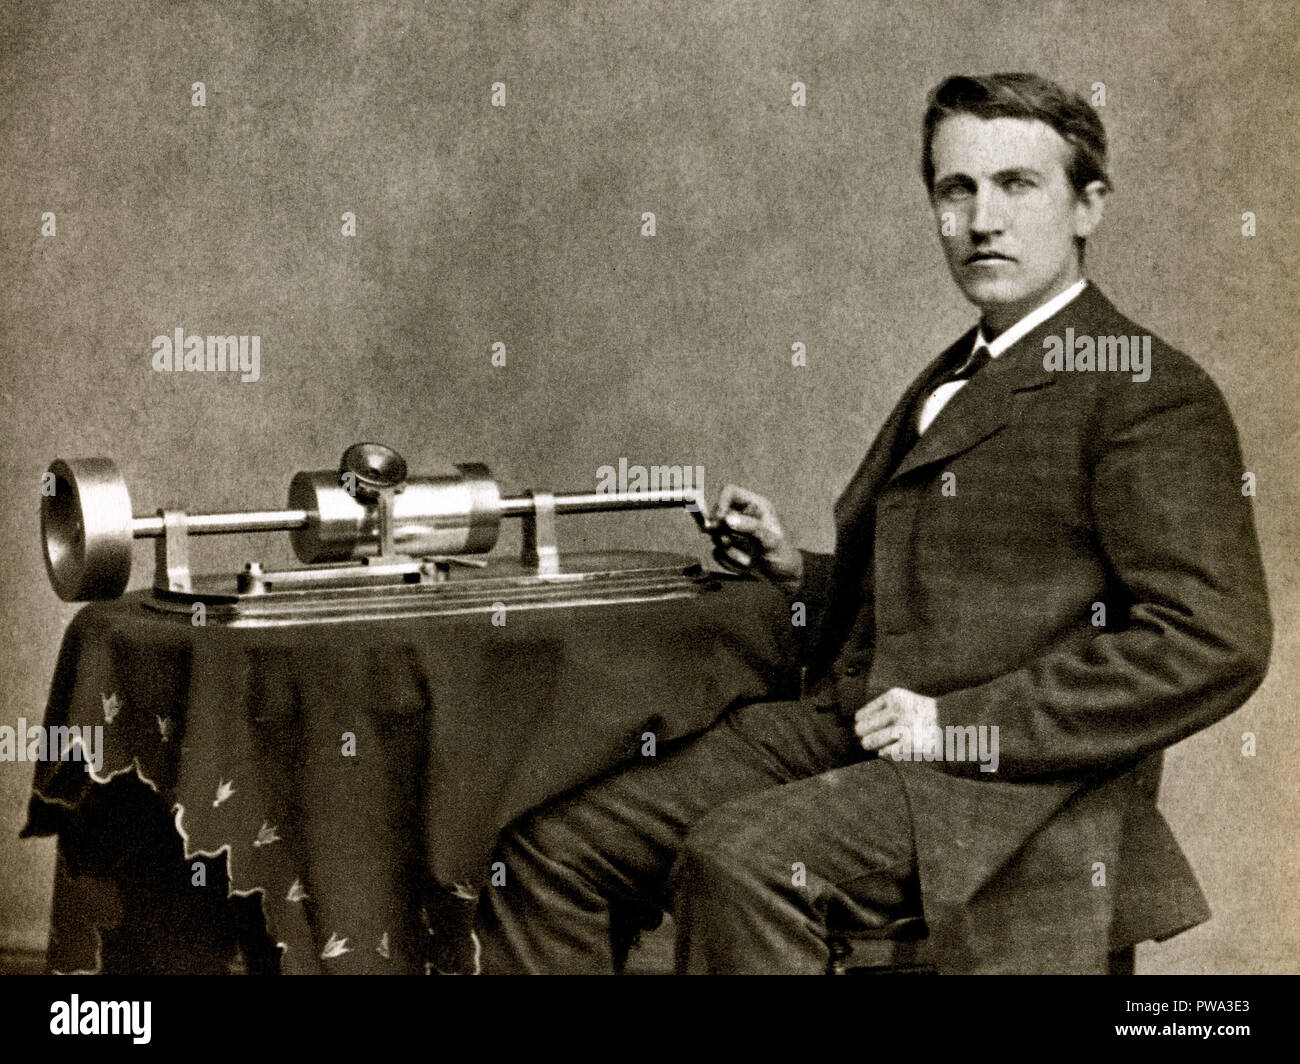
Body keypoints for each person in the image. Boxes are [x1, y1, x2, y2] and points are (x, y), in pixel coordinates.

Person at [474, 72, 1272, 974]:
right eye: (955, 189)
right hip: (853, 725)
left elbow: (1213, 640)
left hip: (1003, 781)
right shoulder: (957, 372)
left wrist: (958, 725)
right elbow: (950, 592)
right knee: (546, 857)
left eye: (1018, 185)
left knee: (742, 861)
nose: (982, 220)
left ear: (1088, 205)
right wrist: (798, 575)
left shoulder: (1146, 391)